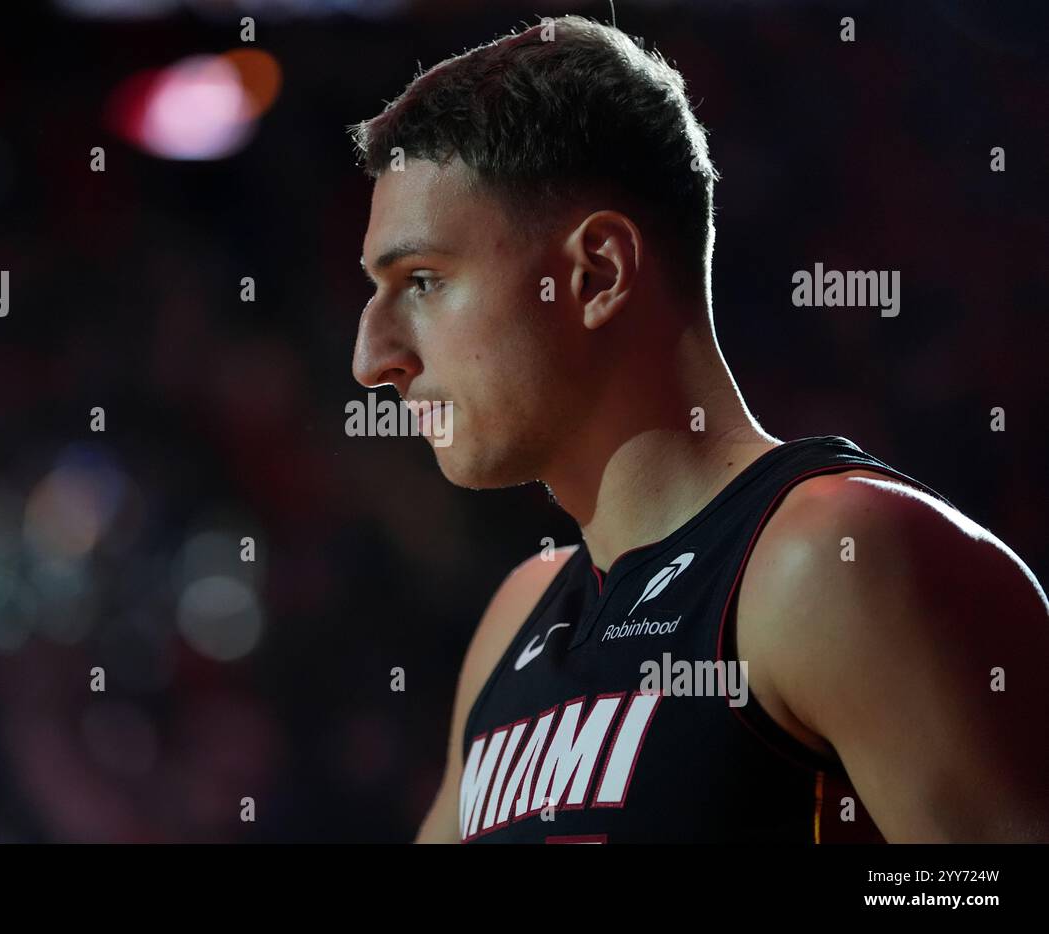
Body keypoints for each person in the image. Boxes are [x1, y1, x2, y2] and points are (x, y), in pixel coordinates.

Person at [348, 15, 1049, 843]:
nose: (372, 357)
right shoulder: (519, 618)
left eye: (423, 280)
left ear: (597, 273)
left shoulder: (834, 560)